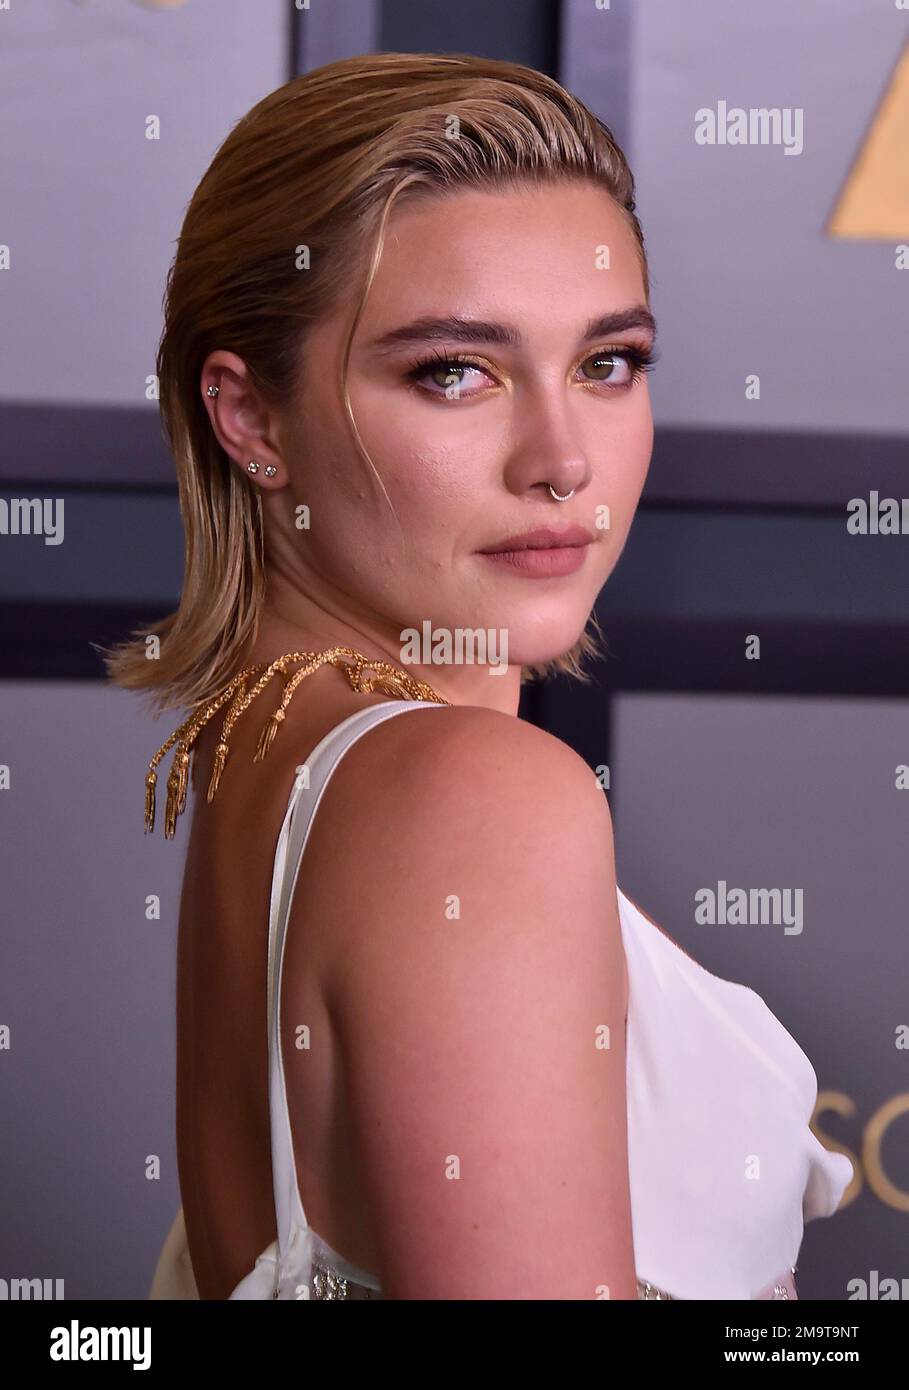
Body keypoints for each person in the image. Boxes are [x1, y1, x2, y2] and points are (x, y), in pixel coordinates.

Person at [106, 51, 853, 1301]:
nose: (563, 459)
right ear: (251, 420)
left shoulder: (275, 750)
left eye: (607, 362)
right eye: (455, 370)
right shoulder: (467, 794)